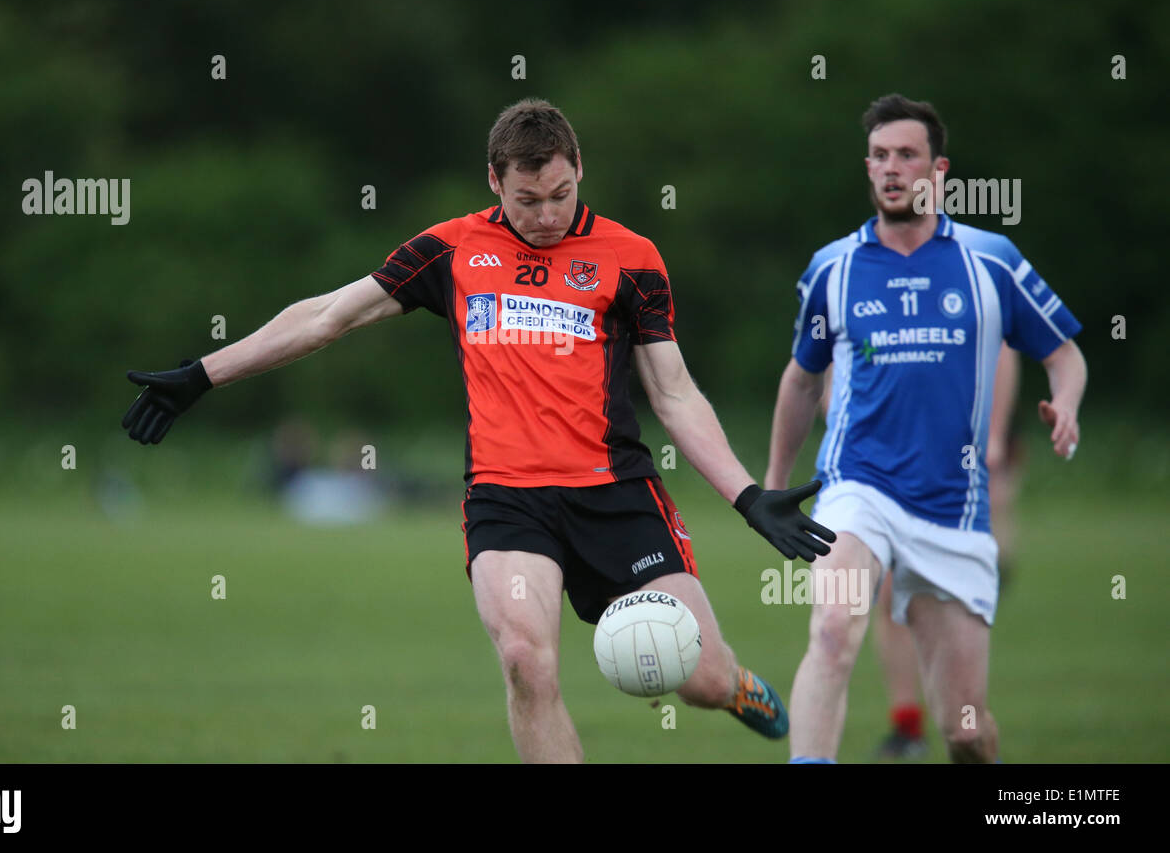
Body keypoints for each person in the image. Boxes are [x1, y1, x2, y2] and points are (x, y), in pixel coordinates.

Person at [120, 98, 836, 763]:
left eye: (561, 194)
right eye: (527, 200)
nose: (548, 215)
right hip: (507, 500)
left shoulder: (631, 258)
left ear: (579, 168)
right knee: (527, 660)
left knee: (699, 678)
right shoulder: (453, 250)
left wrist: (746, 496)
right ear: (494, 181)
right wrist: (204, 374)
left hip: (616, 494)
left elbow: (673, 393)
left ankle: (734, 681)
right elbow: (327, 315)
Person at [765, 93, 1086, 763]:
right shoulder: (835, 267)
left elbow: (1063, 353)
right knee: (831, 631)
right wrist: (772, 487)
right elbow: (801, 380)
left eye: (906, 155)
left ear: (939, 170)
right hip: (859, 490)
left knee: (966, 733)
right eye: (880, 156)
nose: (892, 168)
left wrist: (1068, 404)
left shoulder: (989, 260)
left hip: (953, 509)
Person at [869, 344, 1024, 760]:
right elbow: (826, 369)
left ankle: (964, 727)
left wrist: (994, 435)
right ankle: (907, 726)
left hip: (960, 454)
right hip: (888, 459)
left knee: (966, 729)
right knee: (887, 595)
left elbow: (1004, 348)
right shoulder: (859, 285)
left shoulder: (972, 282)